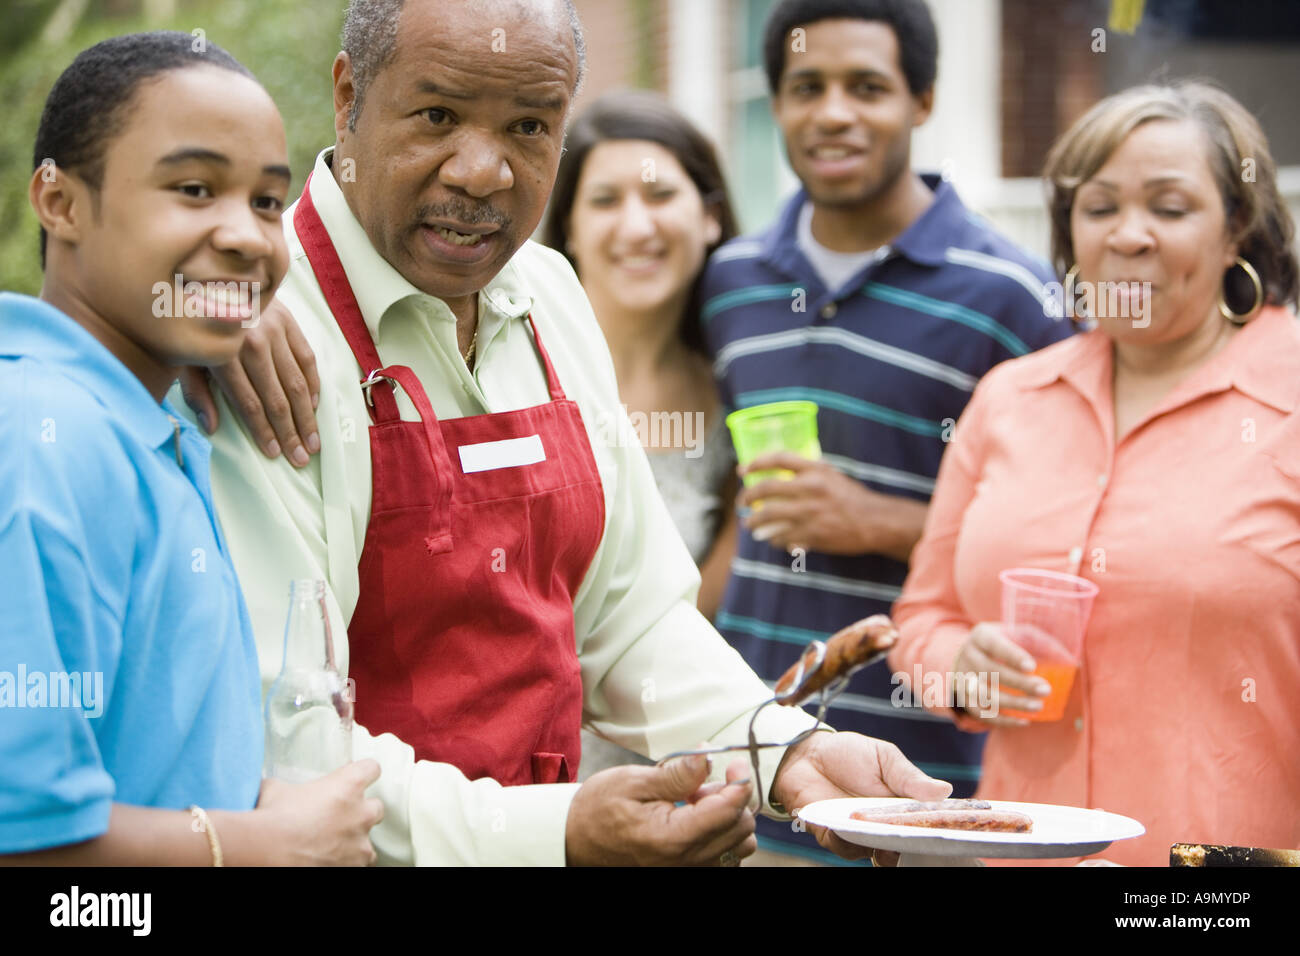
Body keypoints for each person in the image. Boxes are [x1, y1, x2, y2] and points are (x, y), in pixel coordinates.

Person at [175, 0, 953, 867]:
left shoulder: (547, 293)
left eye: (529, 126)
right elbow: (291, 731)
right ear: (349, 95)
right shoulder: (246, 330)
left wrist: (787, 750)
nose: (482, 171)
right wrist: (559, 832)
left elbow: (626, 614)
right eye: (438, 116)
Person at [888, 80, 1300, 866]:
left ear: (1237, 228)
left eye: (1170, 208)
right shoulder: (1011, 396)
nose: (1129, 236)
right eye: (1100, 206)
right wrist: (960, 668)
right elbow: (923, 613)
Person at [700, 0, 1073, 863]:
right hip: (751, 767)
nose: (833, 111)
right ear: (778, 102)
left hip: (929, 792)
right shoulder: (730, 283)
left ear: (923, 101)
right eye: (807, 87)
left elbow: (1071, 552)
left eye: (866, 86)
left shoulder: (1013, 298)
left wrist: (878, 522)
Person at [0, 32, 381, 865]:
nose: (247, 235)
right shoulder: (43, 444)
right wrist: (257, 844)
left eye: (268, 203)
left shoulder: (150, 416)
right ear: (61, 202)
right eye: (195, 188)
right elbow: (24, 841)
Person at [541, 91, 741, 779]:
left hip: (678, 770)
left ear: (711, 217)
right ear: (566, 223)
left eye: (660, 196)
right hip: (517, 781)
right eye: (604, 200)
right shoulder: (515, 370)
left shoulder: (738, 394)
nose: (635, 226)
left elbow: (695, 616)